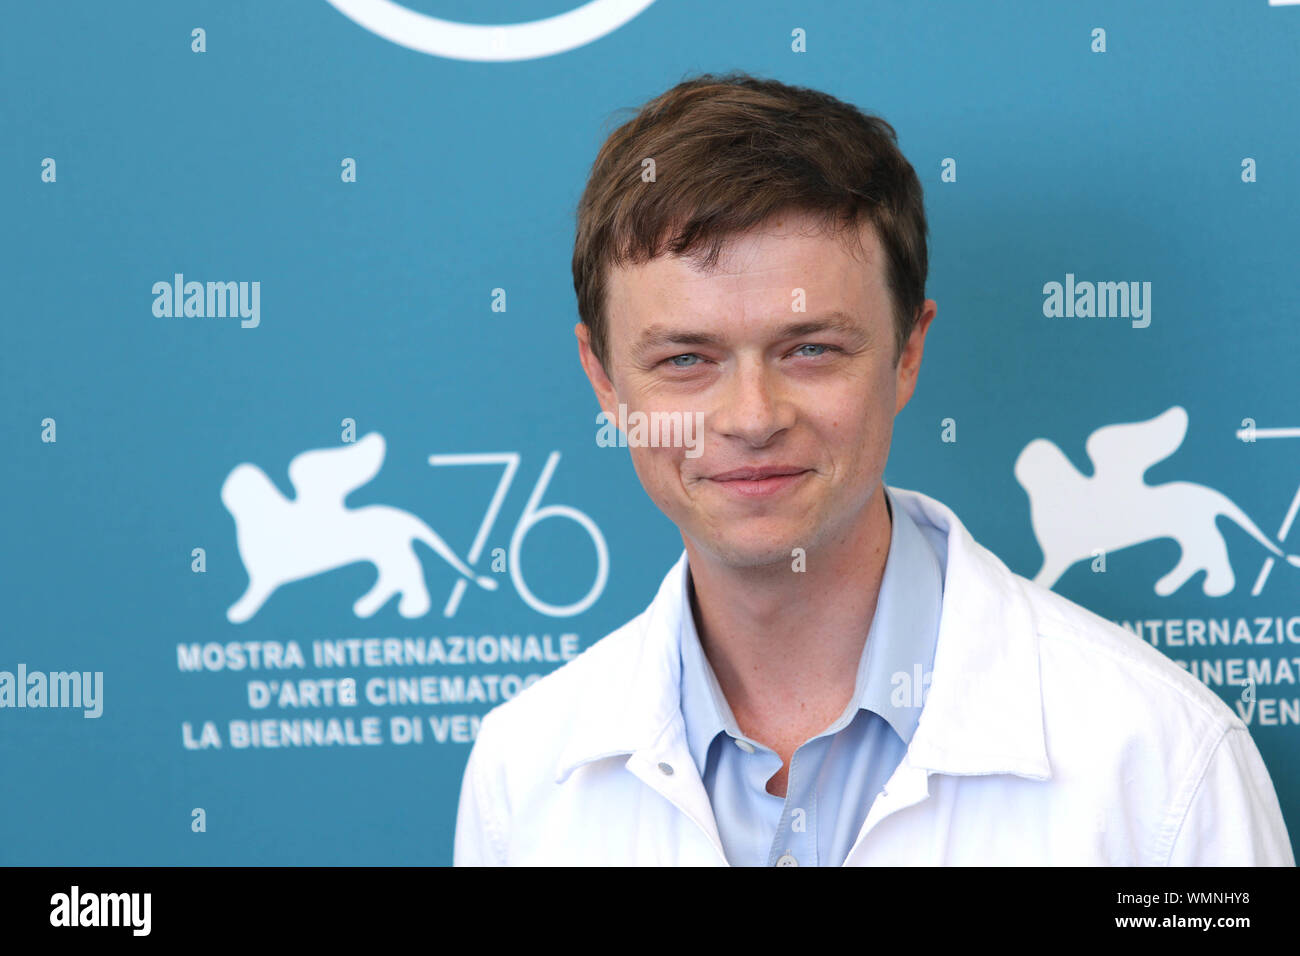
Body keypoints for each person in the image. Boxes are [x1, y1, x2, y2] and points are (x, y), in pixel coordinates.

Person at [453, 71, 1294, 866]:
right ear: (605, 380)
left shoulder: (1162, 763)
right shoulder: (523, 775)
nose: (752, 418)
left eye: (810, 349)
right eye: (685, 360)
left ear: (907, 354)